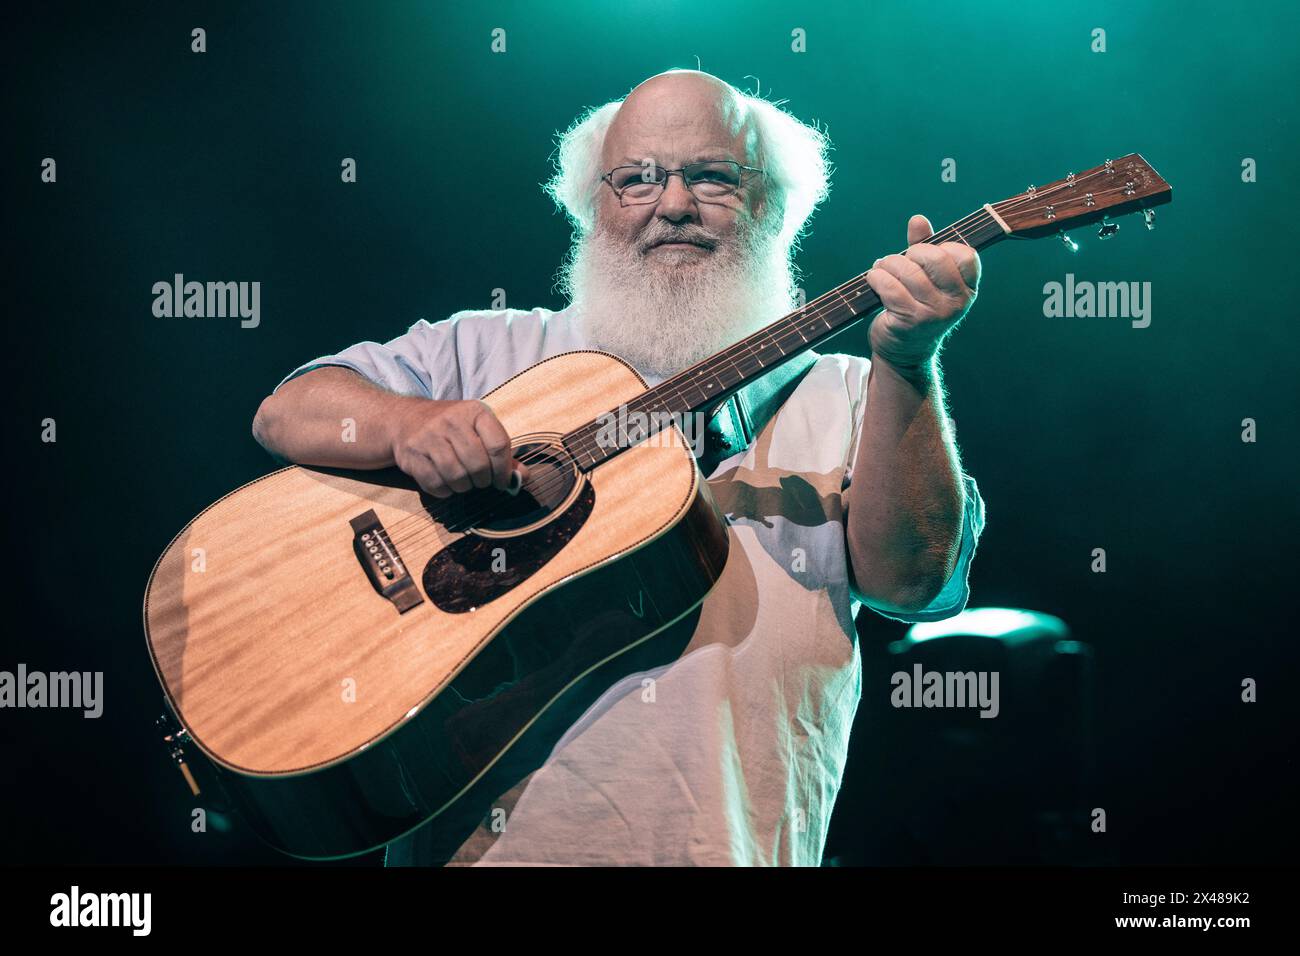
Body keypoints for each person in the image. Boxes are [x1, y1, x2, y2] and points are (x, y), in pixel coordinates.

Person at [252, 69, 986, 866]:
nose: (672, 204)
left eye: (712, 177)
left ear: (774, 206)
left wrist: (908, 365)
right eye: (636, 178)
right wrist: (410, 423)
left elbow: (911, 584)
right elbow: (286, 411)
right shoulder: (486, 349)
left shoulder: (859, 393)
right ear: (592, 207)